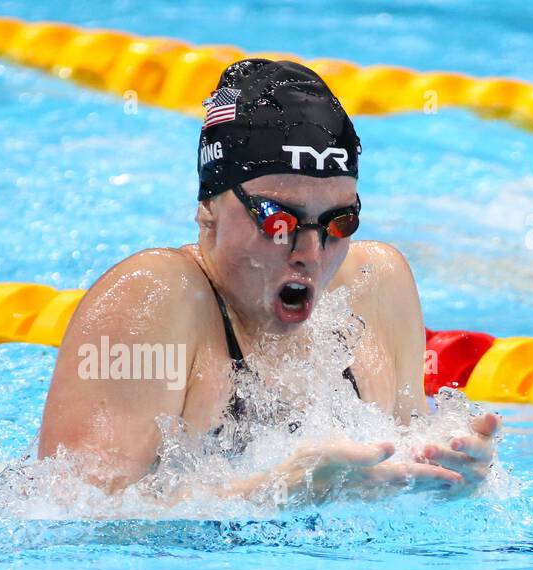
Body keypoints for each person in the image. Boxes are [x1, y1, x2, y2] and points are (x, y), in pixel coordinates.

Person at [37, 59, 500, 504]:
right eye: (277, 220)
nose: (310, 254)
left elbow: (402, 483)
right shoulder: (154, 299)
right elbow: (73, 521)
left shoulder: (377, 285)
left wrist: (453, 476)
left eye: (340, 222)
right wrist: (280, 492)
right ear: (209, 209)